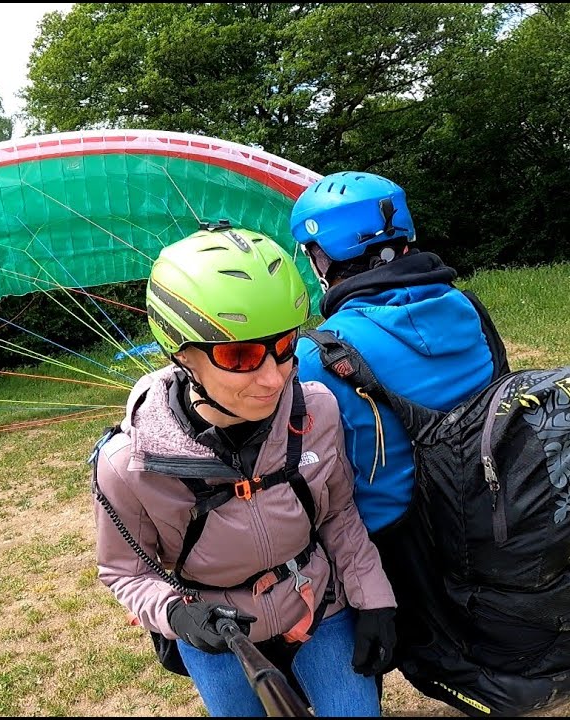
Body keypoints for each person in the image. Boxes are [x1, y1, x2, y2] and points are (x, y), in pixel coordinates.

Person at [91, 224, 397, 717]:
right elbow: (124, 571)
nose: (273, 378)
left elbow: (339, 515)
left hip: (315, 605)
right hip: (219, 632)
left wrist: (375, 599)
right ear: (182, 354)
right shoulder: (128, 464)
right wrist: (175, 614)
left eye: (285, 345)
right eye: (240, 356)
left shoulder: (316, 411)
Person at [289, 172, 507, 669]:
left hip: (396, 547)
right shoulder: (469, 310)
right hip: (482, 509)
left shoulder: (319, 356)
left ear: (322, 256)